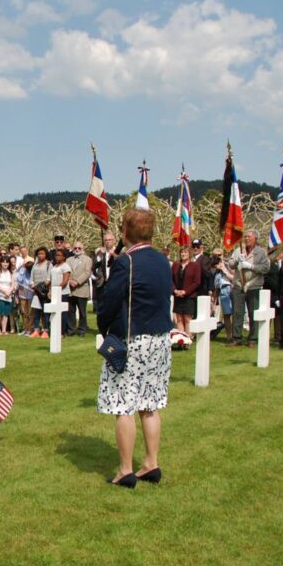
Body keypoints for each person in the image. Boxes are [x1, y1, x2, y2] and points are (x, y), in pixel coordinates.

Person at [96, 208, 174, 488]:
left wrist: (104, 328)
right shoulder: (164, 261)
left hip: (132, 340)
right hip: (160, 339)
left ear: (126, 232)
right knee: (150, 404)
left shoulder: (125, 262)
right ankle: (151, 462)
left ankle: (126, 470)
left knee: (124, 404)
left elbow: (110, 302)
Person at [226, 230, 271, 346]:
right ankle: (237, 338)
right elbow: (230, 264)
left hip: (253, 286)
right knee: (237, 313)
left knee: (253, 313)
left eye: (249, 237)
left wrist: (251, 266)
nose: (246, 239)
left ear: (255, 238)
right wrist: (236, 261)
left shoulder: (261, 252)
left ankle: (253, 339)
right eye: (245, 237)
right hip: (238, 285)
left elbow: (265, 268)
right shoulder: (238, 250)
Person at [171, 246, 202, 337]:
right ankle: (181, 340)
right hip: (177, 296)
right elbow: (170, 280)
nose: (183, 254)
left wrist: (185, 292)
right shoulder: (176, 265)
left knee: (187, 318)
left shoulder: (195, 266)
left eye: (185, 252)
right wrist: (175, 290)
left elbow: (196, 282)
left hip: (189, 296)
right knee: (179, 319)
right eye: (182, 252)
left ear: (189, 254)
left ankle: (188, 339)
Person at [67, 241, 93, 336]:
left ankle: (82, 330)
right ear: (73, 249)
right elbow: (66, 272)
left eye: (79, 248)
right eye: (75, 248)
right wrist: (69, 281)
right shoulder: (68, 260)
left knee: (82, 312)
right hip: (70, 289)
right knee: (71, 311)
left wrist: (77, 282)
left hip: (82, 288)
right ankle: (71, 330)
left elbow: (87, 273)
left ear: (83, 249)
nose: (77, 250)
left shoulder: (88, 259)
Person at [92, 232, 117, 315]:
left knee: (114, 306)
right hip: (102, 283)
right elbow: (94, 265)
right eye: (106, 240)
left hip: (114, 282)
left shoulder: (119, 252)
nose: (108, 242)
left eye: (110, 240)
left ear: (114, 241)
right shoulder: (100, 252)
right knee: (101, 307)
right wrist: (99, 254)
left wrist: (115, 255)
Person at [49, 248, 72, 336]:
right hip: (54, 292)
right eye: (56, 255)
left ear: (64, 257)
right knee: (54, 312)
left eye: (59, 255)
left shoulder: (66, 267)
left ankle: (62, 332)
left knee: (62, 313)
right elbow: (52, 280)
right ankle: (55, 330)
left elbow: (65, 281)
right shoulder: (54, 267)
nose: (57, 257)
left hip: (62, 293)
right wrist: (50, 290)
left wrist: (57, 290)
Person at [30, 247, 51, 338]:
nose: (40, 255)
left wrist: (40, 287)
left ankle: (46, 330)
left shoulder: (49, 264)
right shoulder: (35, 265)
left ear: (46, 254)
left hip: (44, 291)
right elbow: (31, 277)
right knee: (37, 311)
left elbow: (49, 279)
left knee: (45, 312)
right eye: (39, 254)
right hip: (35, 292)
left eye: (42, 253)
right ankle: (36, 329)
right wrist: (32, 285)